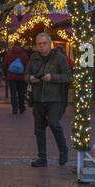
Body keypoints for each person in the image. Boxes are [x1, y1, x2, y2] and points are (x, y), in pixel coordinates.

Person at [26, 31, 72, 167]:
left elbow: (68, 76)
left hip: (55, 98)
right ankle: (42, 157)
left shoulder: (59, 58)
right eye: (39, 44)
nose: (41, 46)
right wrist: (30, 78)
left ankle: (63, 149)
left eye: (44, 43)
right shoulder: (33, 58)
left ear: (50, 44)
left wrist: (53, 78)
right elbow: (26, 74)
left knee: (54, 123)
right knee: (39, 129)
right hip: (38, 98)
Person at [3, 40, 30, 114]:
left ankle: (15, 109)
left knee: (13, 93)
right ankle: (21, 108)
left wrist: (6, 74)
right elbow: (27, 66)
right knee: (21, 93)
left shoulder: (9, 54)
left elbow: (5, 65)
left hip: (11, 77)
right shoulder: (24, 54)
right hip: (21, 77)